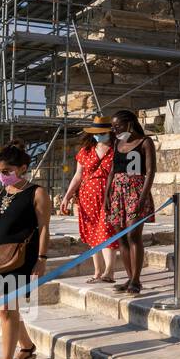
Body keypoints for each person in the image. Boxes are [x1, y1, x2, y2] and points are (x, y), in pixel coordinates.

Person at [0, 140, 50, 359]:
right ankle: (28, 347)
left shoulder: (37, 193)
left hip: (21, 258)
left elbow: (43, 229)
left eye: (7, 171)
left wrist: (41, 259)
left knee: (8, 309)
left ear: (21, 168)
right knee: (3, 310)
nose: (2, 176)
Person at [60, 117, 118, 284]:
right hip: (87, 197)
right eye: (96, 133)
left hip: (109, 195)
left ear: (109, 132)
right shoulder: (85, 150)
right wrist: (67, 196)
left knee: (107, 231)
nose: (99, 136)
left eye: (102, 133)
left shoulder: (117, 149)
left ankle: (110, 271)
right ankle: (98, 272)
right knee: (93, 233)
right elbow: (77, 176)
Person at [105, 109, 156, 296]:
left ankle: (136, 279)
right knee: (121, 239)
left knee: (133, 235)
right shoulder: (117, 142)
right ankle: (129, 277)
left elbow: (150, 171)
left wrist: (142, 199)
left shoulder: (145, 142)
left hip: (135, 191)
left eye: (117, 126)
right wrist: (106, 197)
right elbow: (112, 172)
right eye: (112, 126)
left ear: (129, 123)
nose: (114, 129)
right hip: (117, 193)